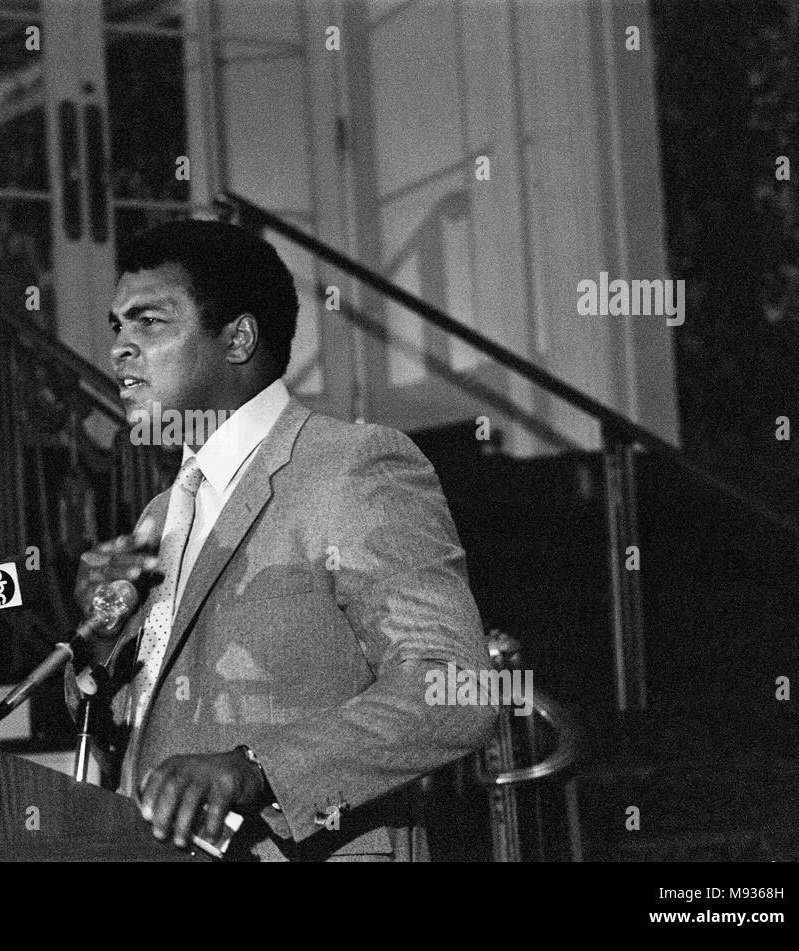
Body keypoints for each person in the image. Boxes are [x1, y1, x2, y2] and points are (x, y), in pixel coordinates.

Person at [72, 219, 497, 861]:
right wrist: (101, 638)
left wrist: (256, 769)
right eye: (117, 327)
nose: (120, 350)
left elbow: (454, 689)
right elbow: (133, 729)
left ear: (238, 338)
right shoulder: (162, 515)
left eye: (149, 322)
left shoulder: (349, 466)